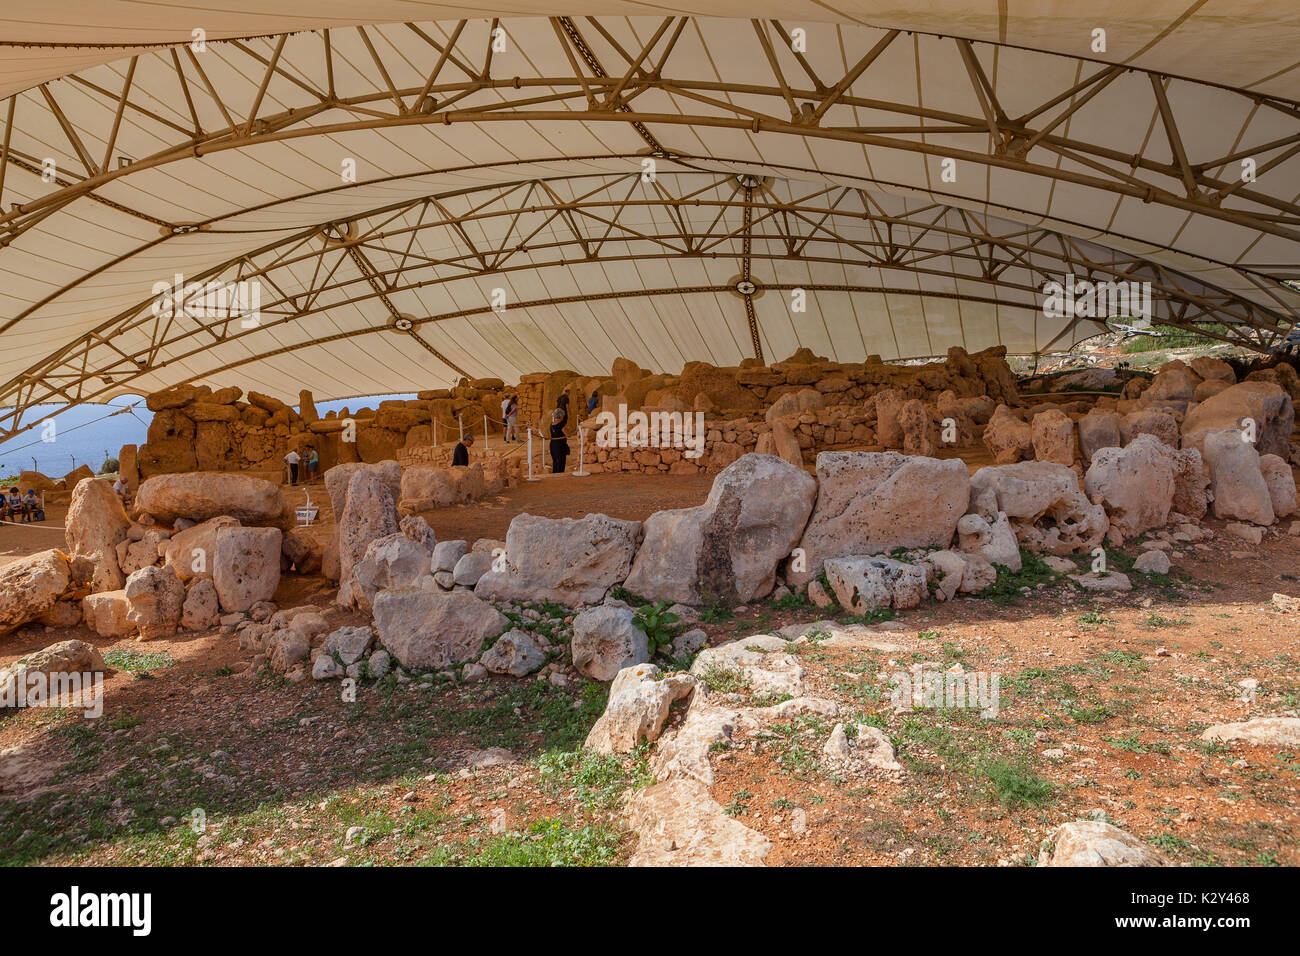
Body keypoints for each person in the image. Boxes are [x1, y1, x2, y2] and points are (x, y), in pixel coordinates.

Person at [550, 394, 570, 474]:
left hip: (552, 444)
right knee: (561, 462)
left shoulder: (551, 423)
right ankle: (559, 476)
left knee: (555, 461)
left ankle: (554, 475)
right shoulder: (561, 424)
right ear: (561, 416)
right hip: (560, 445)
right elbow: (567, 434)